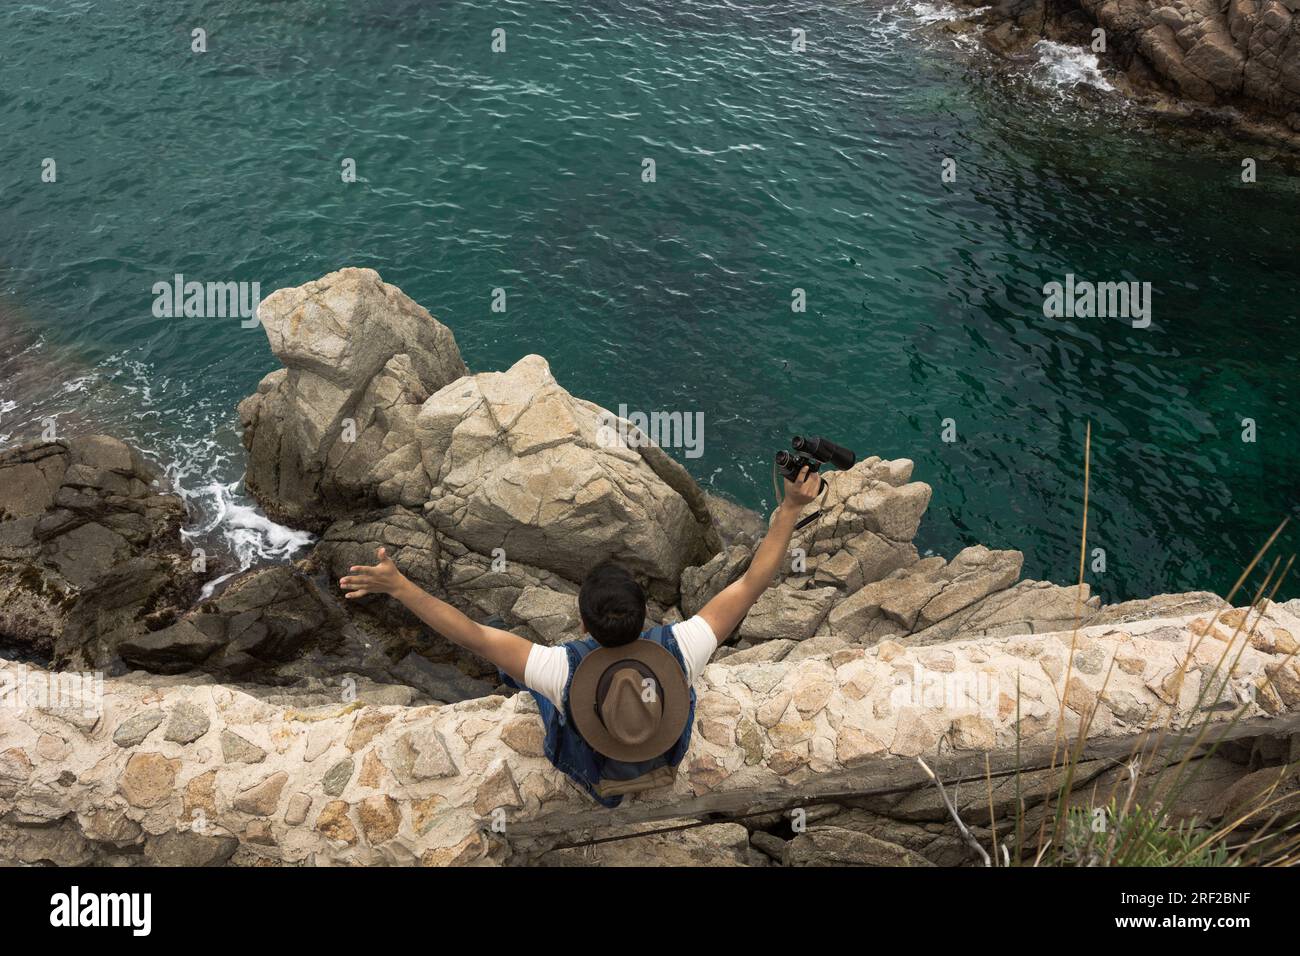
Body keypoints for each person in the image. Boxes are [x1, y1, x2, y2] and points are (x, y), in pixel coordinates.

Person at [338, 466, 823, 806]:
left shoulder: (561, 668)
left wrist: (399, 586)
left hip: (597, 776)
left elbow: (471, 635)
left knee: (521, 676)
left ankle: (522, 690)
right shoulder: (684, 646)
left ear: (584, 624)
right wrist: (789, 506)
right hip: (661, 748)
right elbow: (751, 581)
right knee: (538, 673)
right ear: (645, 615)